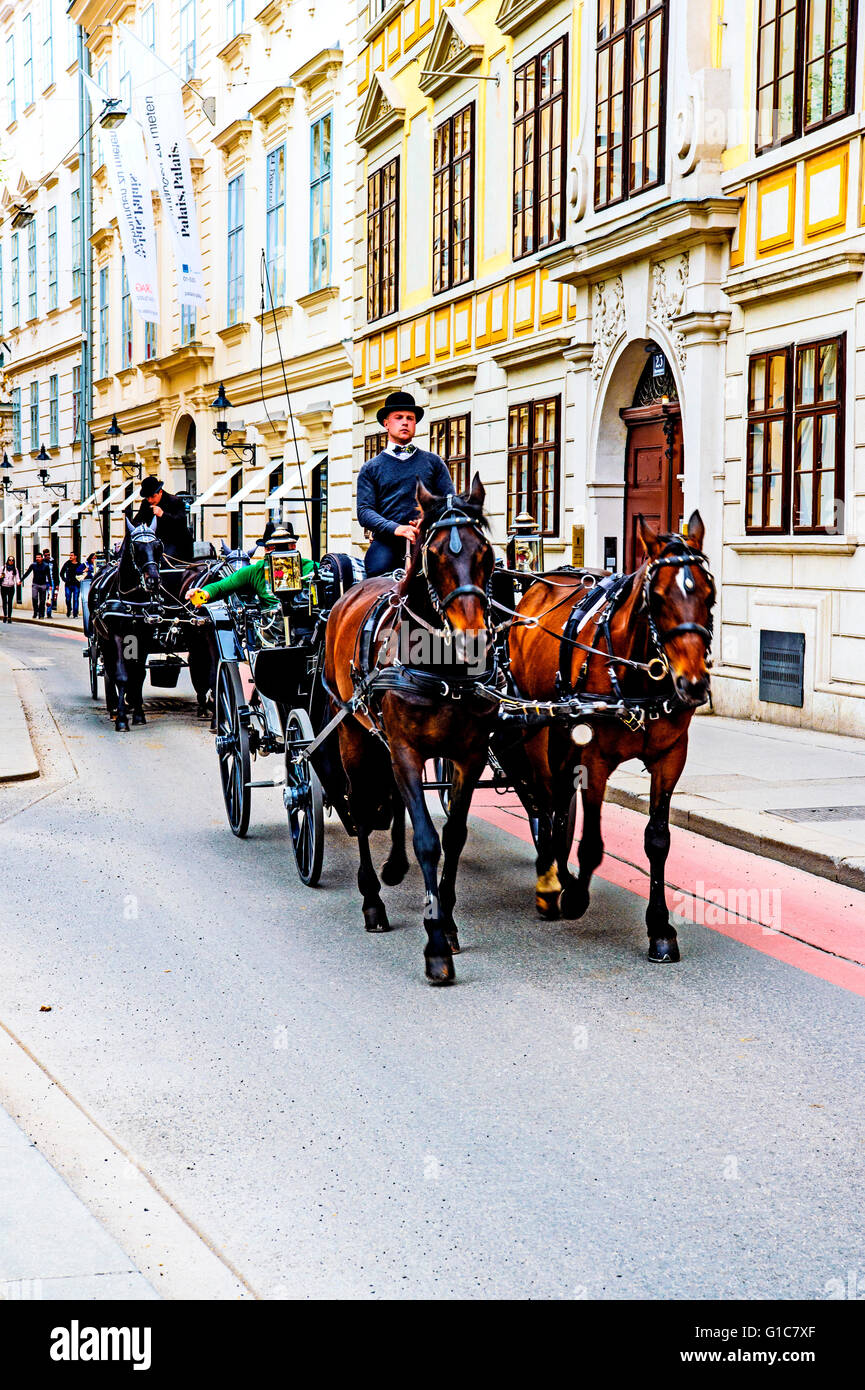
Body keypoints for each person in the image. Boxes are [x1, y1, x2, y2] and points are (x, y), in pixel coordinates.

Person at [357, 391, 455, 577]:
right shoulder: (371, 468)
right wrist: (396, 528)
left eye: (410, 418)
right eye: (398, 417)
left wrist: (428, 521)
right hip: (387, 543)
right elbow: (364, 511)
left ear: (415, 424)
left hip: (429, 540)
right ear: (386, 423)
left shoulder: (433, 462)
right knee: (377, 575)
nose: (405, 422)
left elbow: (449, 502)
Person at [188, 528, 312, 646]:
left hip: (306, 626)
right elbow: (222, 586)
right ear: (266, 550)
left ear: (293, 547)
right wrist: (204, 593)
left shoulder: (309, 567)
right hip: (273, 631)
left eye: (283, 547)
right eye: (271, 548)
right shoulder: (254, 571)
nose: (277, 553)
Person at [131, 477, 194, 561]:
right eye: (147, 497)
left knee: (164, 560)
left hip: (177, 543)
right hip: (155, 542)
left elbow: (181, 523)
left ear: (160, 492)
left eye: (153, 496)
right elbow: (137, 521)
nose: (150, 500)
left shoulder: (175, 501)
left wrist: (162, 514)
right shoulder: (145, 504)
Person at [21, 551, 50, 619]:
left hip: (43, 584)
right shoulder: (33, 565)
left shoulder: (46, 566)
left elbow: (48, 576)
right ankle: (35, 612)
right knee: (34, 598)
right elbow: (27, 573)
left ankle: (41, 614)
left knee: (42, 600)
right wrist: (21, 580)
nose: (37, 558)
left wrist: (50, 585)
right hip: (35, 584)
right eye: (36, 557)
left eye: (39, 557)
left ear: (42, 558)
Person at [60, 552, 86, 618]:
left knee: (75, 599)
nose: (70, 557)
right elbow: (61, 572)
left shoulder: (79, 565)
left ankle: (75, 614)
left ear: (75, 557)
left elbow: (83, 574)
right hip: (68, 584)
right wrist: (64, 579)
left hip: (76, 584)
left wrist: (80, 579)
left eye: (72, 555)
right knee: (68, 598)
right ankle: (69, 609)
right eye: (70, 555)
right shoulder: (67, 563)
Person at [1, 556, 20, 622]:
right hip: (4, 586)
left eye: (12, 560)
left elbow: (17, 577)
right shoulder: (3, 568)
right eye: (10, 560)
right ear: (7, 560)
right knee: (4, 601)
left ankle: (9, 617)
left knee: (10, 602)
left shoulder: (15, 569)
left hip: (11, 587)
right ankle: (5, 615)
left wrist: (18, 582)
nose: (11, 561)